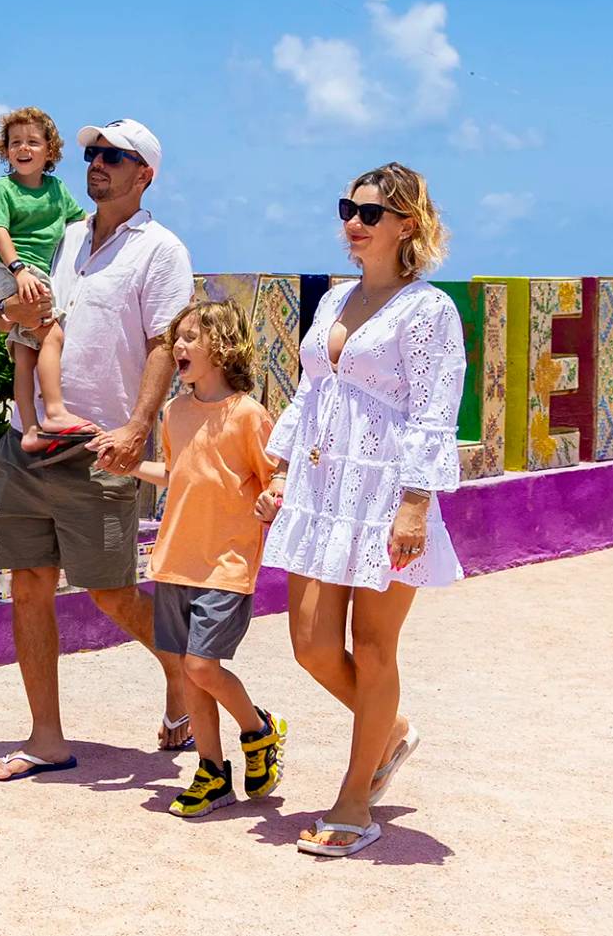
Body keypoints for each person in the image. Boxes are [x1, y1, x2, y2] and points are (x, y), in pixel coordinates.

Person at [253, 162, 465, 857]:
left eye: (370, 213)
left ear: (407, 224)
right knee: (311, 641)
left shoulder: (428, 308)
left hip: (386, 494)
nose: (353, 221)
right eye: (348, 208)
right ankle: (391, 729)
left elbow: (435, 411)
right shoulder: (335, 300)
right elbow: (312, 391)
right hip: (322, 489)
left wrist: (413, 504)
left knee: (374, 649)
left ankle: (353, 799)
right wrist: (280, 466)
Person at [0, 118, 198, 781]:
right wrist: (1, 317)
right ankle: (46, 737)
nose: (95, 162)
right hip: (34, 442)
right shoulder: (71, 237)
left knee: (109, 589)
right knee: (28, 584)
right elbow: (37, 320)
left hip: (104, 445)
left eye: (112, 154)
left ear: (144, 174)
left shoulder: (161, 250)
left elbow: (167, 343)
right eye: (91, 153)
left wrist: (138, 427)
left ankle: (179, 665)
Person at [130, 299, 288, 817]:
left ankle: (257, 730)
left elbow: (277, 480)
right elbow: (179, 476)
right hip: (175, 558)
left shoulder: (248, 415)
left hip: (226, 563)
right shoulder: (175, 411)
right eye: (177, 337)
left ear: (222, 347)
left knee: (202, 664)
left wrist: (272, 499)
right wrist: (130, 466)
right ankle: (211, 771)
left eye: (191, 337)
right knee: (189, 668)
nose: (178, 346)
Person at [0, 107, 92, 455]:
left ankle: (29, 429)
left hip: (34, 273)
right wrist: (18, 269)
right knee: (51, 334)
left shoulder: (57, 191)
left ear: (50, 151)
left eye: (32, 142)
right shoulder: (3, 189)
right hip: (13, 271)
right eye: (15, 143)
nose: (23, 149)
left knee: (26, 353)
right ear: (5, 151)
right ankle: (54, 411)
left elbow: (83, 222)